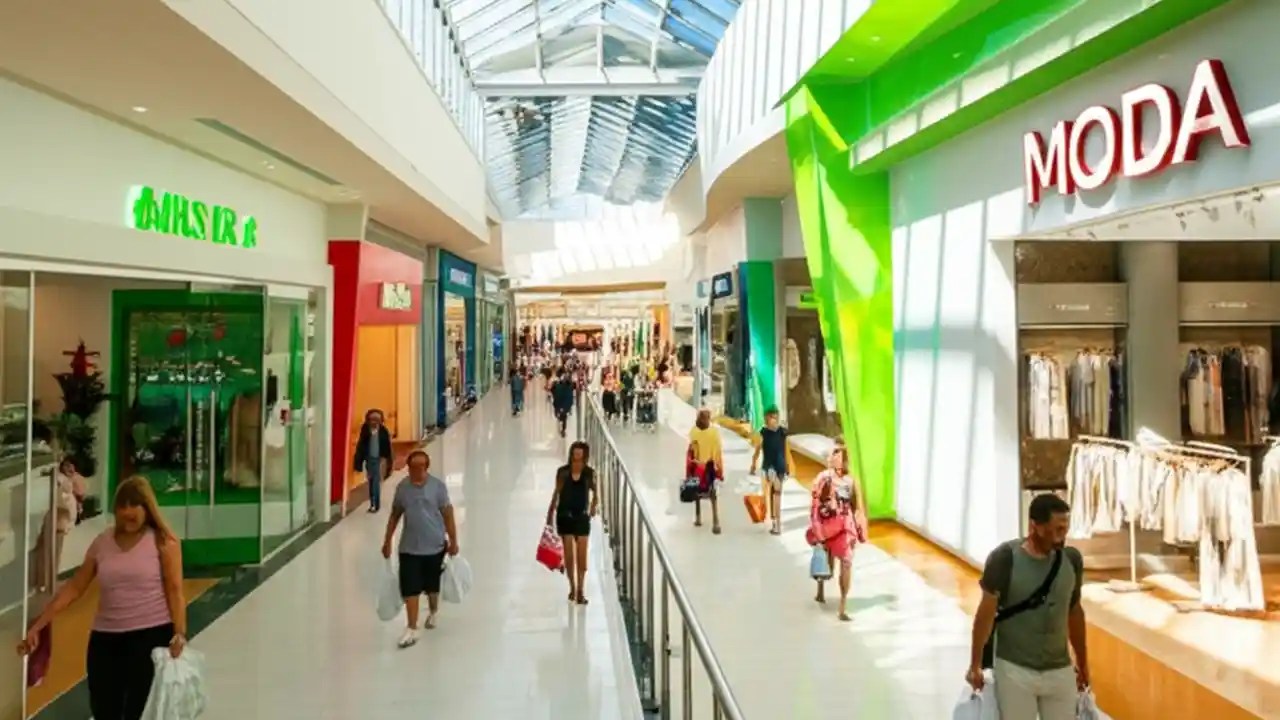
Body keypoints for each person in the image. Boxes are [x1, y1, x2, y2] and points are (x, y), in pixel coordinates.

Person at [18, 477, 187, 720]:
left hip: (150, 637)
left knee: (138, 711)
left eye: (135, 505)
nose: (128, 512)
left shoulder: (162, 542)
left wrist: (179, 633)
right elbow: (75, 587)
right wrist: (39, 624)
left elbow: (174, 590)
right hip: (106, 641)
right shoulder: (103, 542)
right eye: (122, 506)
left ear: (147, 508)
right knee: (104, 710)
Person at [966, 494, 1088, 720]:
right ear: (1035, 526)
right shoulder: (1004, 559)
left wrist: (1083, 663)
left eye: (1065, 528)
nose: (1063, 535)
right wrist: (975, 665)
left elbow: (1074, 611)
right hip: (1014, 670)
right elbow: (985, 616)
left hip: (1060, 669)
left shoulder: (1071, 561)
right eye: (1057, 529)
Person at [381, 450, 459, 649]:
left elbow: (448, 514)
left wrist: (453, 540)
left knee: (432, 586)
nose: (415, 471)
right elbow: (395, 514)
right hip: (409, 547)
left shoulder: (437, 487)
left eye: (419, 467)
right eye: (412, 467)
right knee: (411, 587)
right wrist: (387, 540)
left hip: (434, 546)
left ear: (426, 468)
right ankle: (412, 627)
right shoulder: (403, 488)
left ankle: (433, 610)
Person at [809, 446, 866, 621]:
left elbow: (858, 506)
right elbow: (815, 504)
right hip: (827, 525)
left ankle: (842, 605)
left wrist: (859, 527)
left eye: (840, 455)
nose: (836, 458)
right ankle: (820, 589)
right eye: (834, 455)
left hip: (845, 527)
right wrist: (816, 527)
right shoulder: (822, 477)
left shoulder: (851, 481)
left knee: (847, 562)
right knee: (827, 563)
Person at [546, 441, 598, 605]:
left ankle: (581, 588)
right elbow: (557, 492)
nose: (577, 455)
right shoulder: (562, 472)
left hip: (582, 516)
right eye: (575, 452)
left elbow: (596, 492)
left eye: (580, 453)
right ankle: (573, 587)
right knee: (569, 556)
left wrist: (593, 506)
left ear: (584, 455)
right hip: (565, 515)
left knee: (582, 556)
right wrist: (551, 512)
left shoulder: (589, 473)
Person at [749, 407, 795, 535]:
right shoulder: (763, 433)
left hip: (778, 467)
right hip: (769, 467)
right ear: (766, 418)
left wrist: (788, 466)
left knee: (776, 493)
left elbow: (786, 450)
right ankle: (775, 521)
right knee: (773, 493)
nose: (774, 420)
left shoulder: (782, 432)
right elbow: (757, 451)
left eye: (775, 417)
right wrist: (753, 464)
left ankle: (776, 523)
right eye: (771, 417)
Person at [687, 408, 723, 534]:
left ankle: (698, 518)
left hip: (697, 468)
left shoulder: (693, 432)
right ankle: (716, 522)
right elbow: (718, 453)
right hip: (709, 468)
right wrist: (720, 471)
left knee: (697, 493)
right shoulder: (714, 433)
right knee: (713, 494)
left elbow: (691, 451)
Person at [353, 409, 393, 513]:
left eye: (377, 420)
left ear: (381, 421)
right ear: (368, 420)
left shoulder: (383, 431)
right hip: (370, 459)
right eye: (372, 420)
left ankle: (376, 504)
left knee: (375, 481)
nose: (374, 422)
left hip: (380, 459)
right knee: (371, 481)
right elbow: (361, 446)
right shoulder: (365, 431)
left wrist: (389, 464)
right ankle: (373, 503)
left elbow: (388, 448)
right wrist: (358, 463)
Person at [552, 370, 575, 437]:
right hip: (563, 405)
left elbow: (554, 393)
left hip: (560, 404)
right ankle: (562, 429)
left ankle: (562, 428)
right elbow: (570, 398)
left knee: (562, 417)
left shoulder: (558, 385)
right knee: (564, 417)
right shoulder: (568, 387)